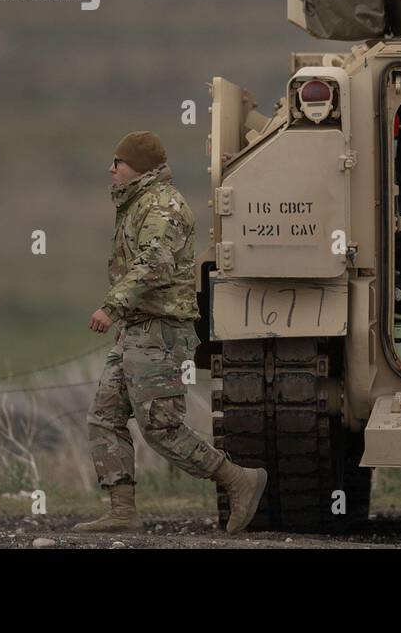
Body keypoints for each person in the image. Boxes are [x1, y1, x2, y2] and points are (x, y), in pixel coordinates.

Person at [74, 131, 266, 534]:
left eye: (119, 162)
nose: (111, 169)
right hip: (138, 329)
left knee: (161, 428)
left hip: (160, 334)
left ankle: (238, 479)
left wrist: (112, 307)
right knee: (105, 417)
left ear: (140, 168)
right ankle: (122, 511)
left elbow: (154, 263)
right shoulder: (137, 204)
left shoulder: (163, 207)